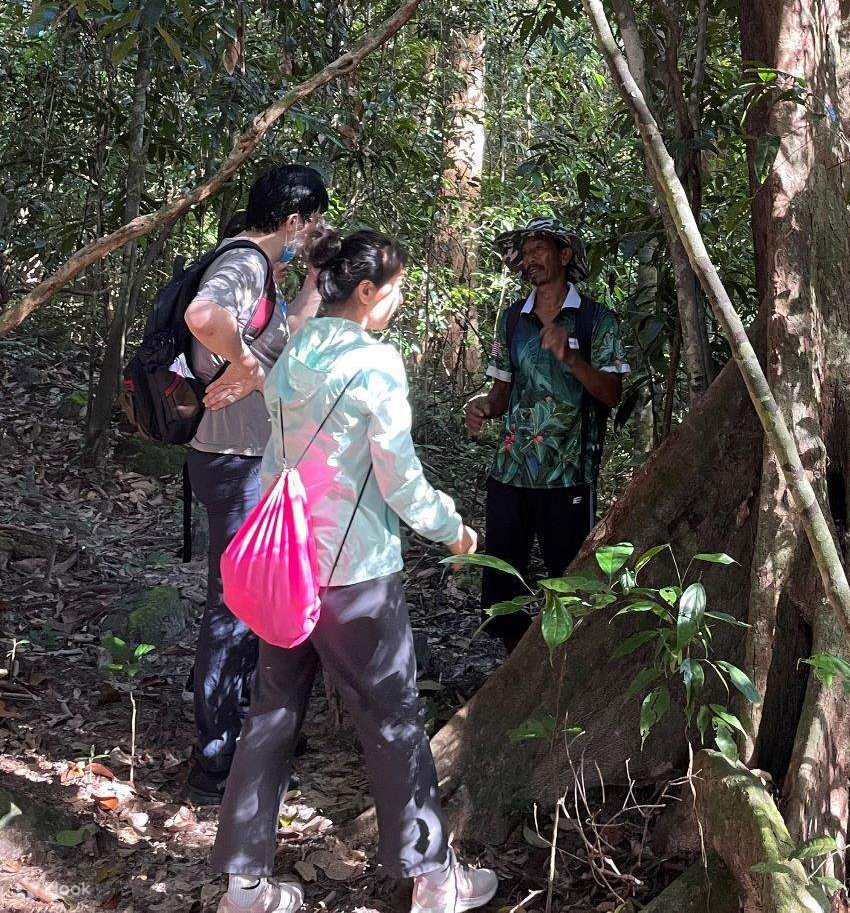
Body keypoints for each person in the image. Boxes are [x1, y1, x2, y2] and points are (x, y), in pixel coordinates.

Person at [211, 229, 496, 913]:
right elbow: (399, 480)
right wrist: (453, 530)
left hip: (286, 569)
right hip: (356, 573)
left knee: (272, 714)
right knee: (394, 718)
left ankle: (244, 885)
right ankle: (432, 880)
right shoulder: (376, 362)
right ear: (366, 293)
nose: (395, 303)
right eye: (393, 291)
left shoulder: (293, 346)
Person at [182, 165, 330, 805]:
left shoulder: (265, 271)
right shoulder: (243, 262)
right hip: (230, 456)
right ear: (294, 219)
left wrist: (312, 290)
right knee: (236, 604)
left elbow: (280, 336)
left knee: (245, 600)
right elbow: (204, 314)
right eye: (314, 221)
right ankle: (215, 759)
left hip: (244, 455)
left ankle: (235, 734)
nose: (316, 231)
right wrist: (243, 364)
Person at [464, 218, 630, 652]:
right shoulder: (512, 320)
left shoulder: (596, 320)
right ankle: (515, 667)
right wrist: (483, 406)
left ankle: (566, 667)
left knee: (570, 577)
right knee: (500, 584)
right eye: (525, 250)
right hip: (511, 471)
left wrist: (572, 358)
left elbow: (612, 394)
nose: (530, 257)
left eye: (539, 247)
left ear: (564, 255)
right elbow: (503, 393)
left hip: (569, 475)